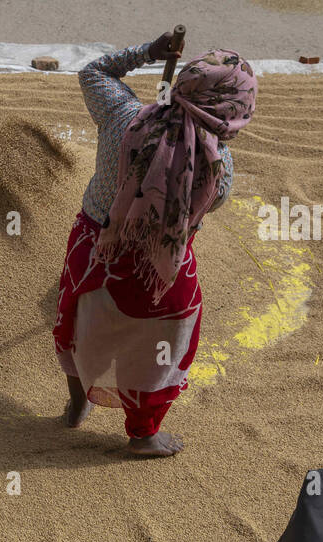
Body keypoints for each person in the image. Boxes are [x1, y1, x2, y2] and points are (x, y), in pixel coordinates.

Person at [54, 33, 257, 456]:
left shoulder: (122, 116)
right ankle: (142, 433)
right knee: (161, 347)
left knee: (77, 325)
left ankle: (77, 404)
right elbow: (198, 209)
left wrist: (148, 52)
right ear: (228, 114)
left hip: (95, 250)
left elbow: (93, 71)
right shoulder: (219, 166)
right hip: (160, 270)